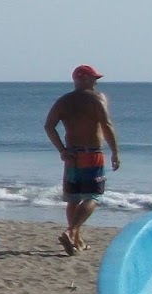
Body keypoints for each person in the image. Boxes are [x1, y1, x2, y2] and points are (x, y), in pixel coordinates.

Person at [43, 64, 120, 255]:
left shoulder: (63, 101)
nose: (96, 82)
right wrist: (115, 152)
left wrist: (62, 150)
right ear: (84, 79)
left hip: (72, 155)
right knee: (93, 196)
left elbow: (49, 126)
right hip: (91, 154)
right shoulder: (97, 98)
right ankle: (71, 231)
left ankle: (75, 239)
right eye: (94, 78)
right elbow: (106, 124)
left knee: (73, 199)